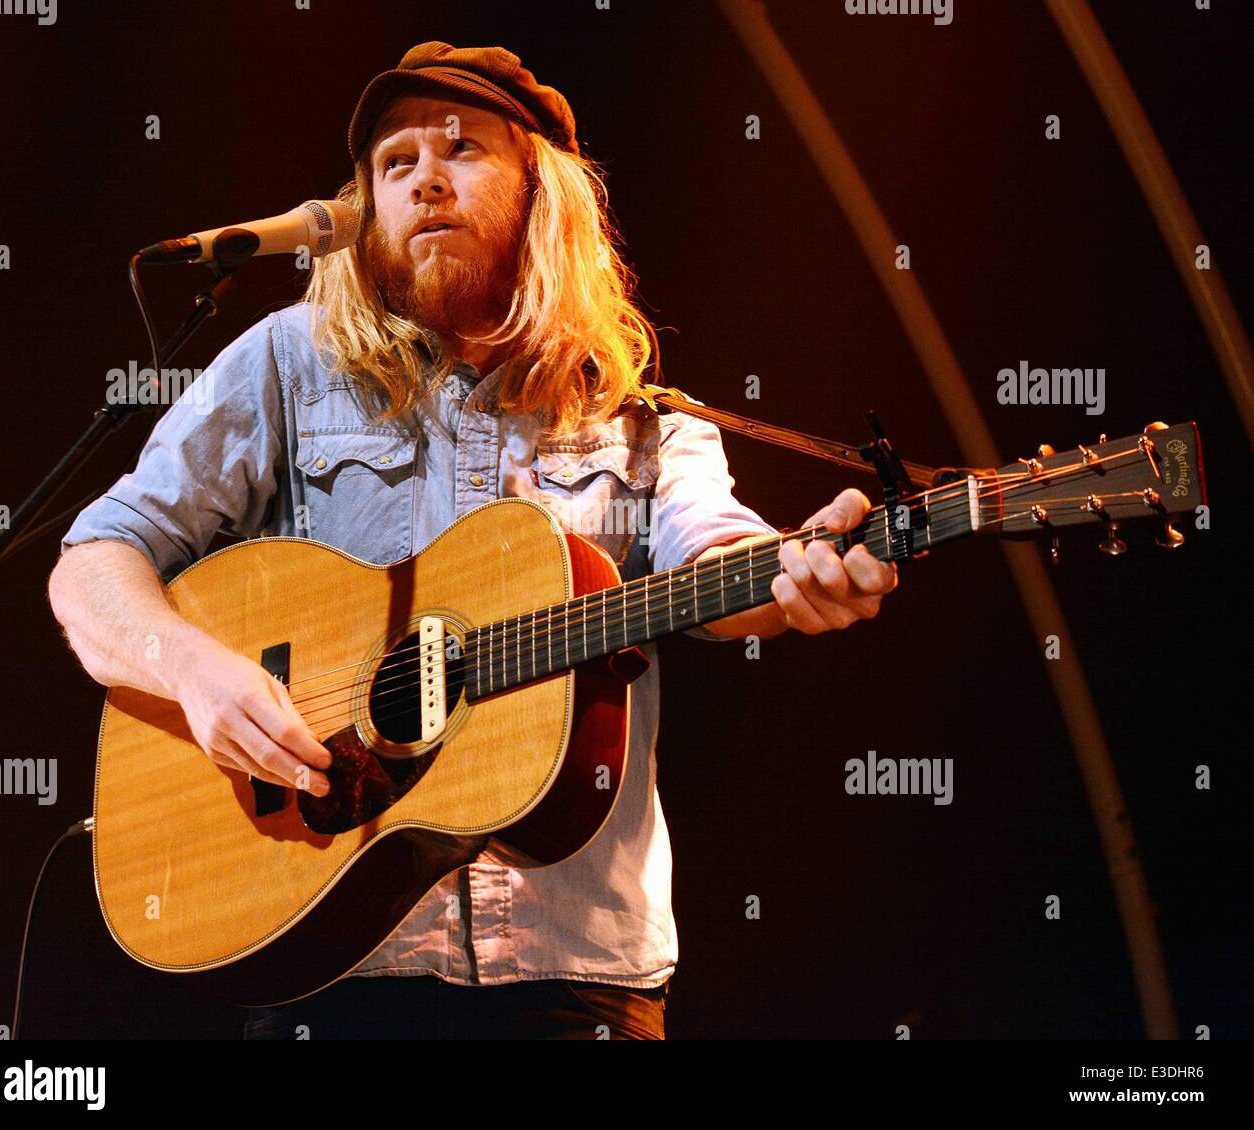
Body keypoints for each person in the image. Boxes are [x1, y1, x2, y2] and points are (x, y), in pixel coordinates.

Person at [47, 42, 898, 1040]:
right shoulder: (287, 364)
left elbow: (716, 555)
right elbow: (94, 559)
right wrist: (194, 671)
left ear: (547, 195)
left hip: (572, 968)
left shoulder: (639, 415)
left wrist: (799, 573)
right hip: (333, 956)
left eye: (462, 149)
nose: (425, 177)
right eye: (395, 163)